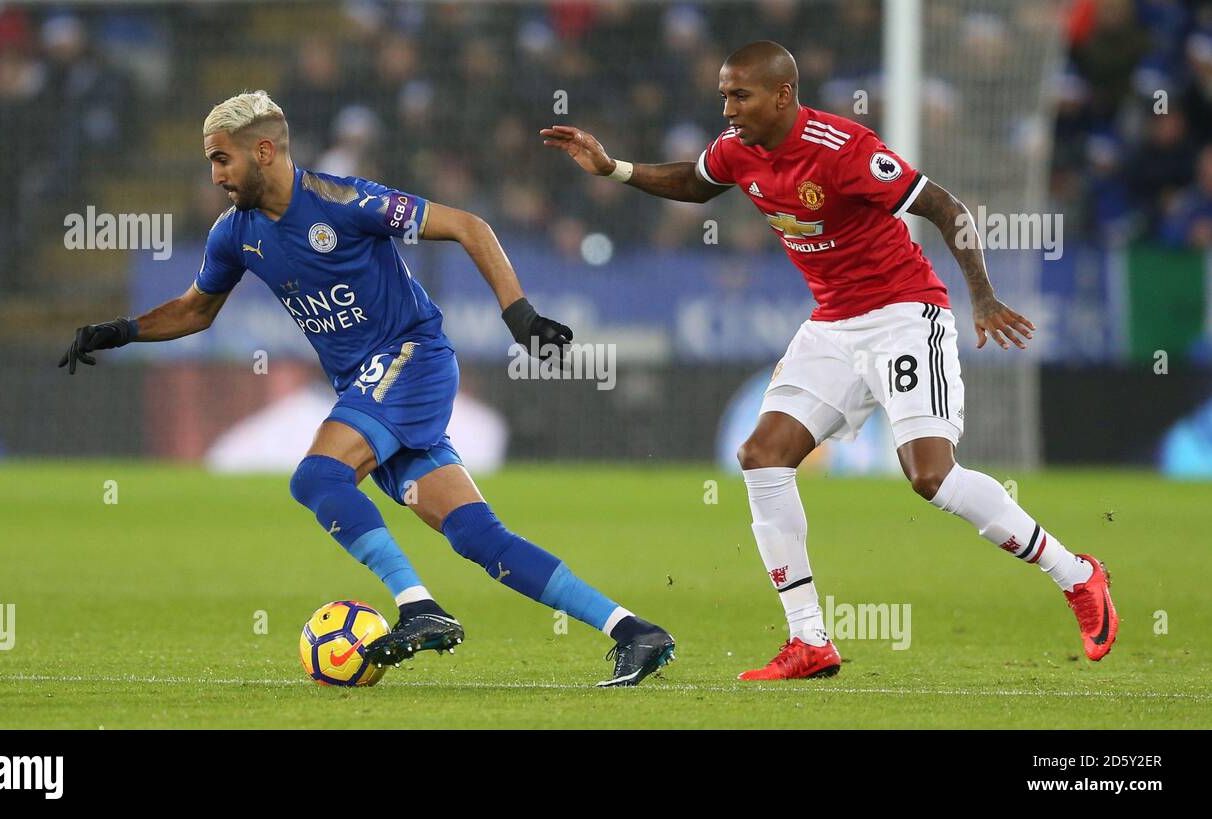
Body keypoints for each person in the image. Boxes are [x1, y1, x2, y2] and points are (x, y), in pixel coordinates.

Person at [60, 91, 674, 687]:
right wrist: (121, 330)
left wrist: (520, 315)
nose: (215, 175)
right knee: (477, 536)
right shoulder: (234, 233)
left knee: (316, 477)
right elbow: (196, 310)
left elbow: (469, 225)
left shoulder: (344, 201)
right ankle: (634, 632)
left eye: (222, 158)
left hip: (412, 358)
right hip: (371, 386)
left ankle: (419, 607)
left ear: (264, 151)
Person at [542, 41, 1116, 680]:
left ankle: (1077, 575)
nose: (728, 108)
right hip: (832, 325)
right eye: (724, 95)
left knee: (930, 476)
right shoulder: (737, 148)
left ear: (782, 94)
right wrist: (614, 169)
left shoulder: (843, 149)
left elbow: (945, 208)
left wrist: (981, 296)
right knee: (762, 456)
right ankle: (809, 638)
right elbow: (697, 184)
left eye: (740, 95)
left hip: (903, 315)